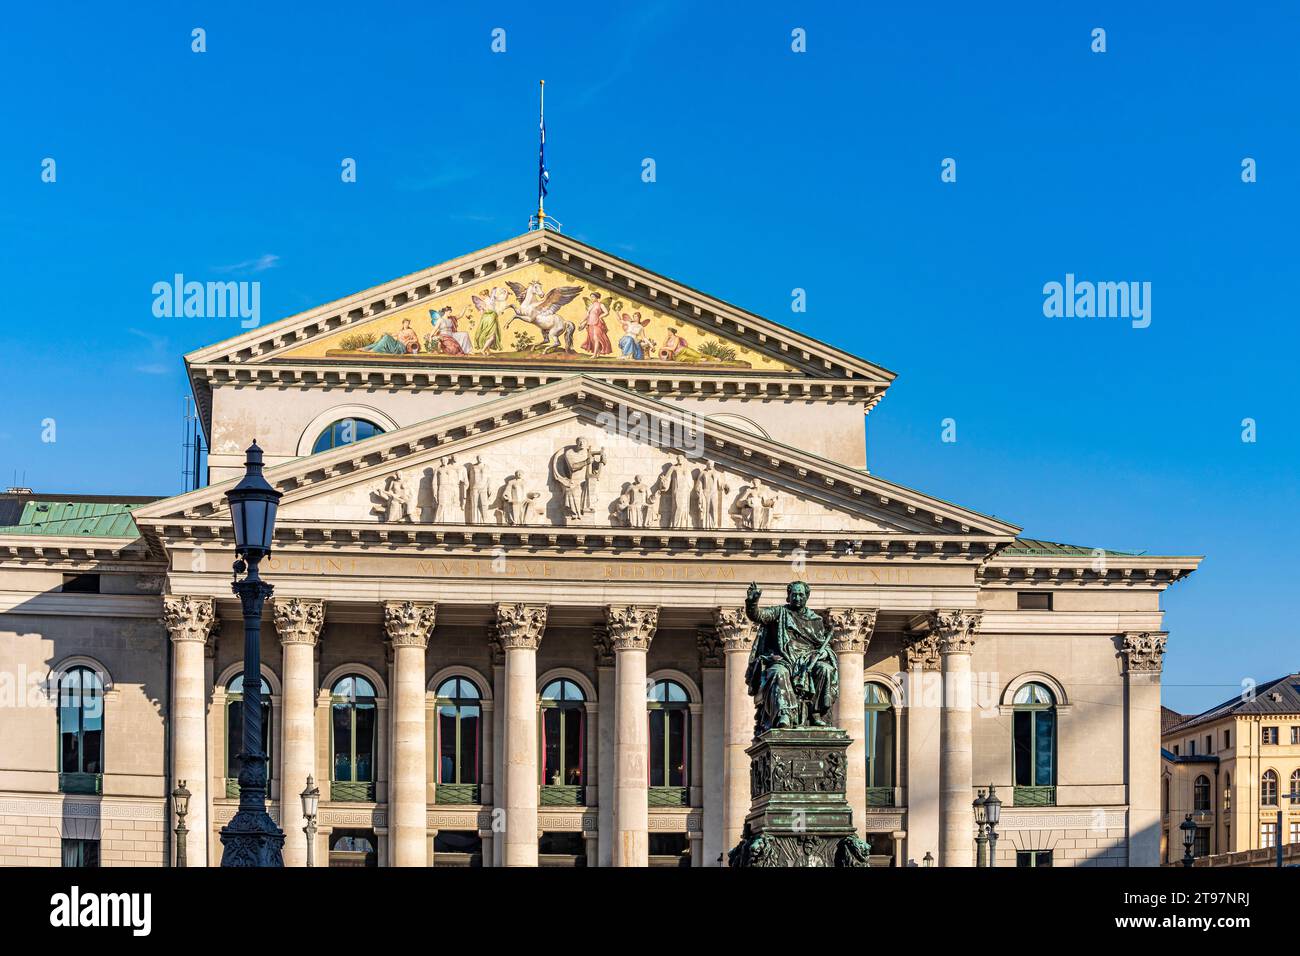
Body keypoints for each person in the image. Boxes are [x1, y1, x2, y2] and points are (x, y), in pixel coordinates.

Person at [743, 581, 838, 732]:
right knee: (778, 672)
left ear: (807, 597)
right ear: (788, 597)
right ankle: (784, 714)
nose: (797, 598)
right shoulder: (779, 612)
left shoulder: (816, 620)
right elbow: (758, 616)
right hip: (784, 659)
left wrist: (824, 653)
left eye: (801, 595)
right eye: (794, 594)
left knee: (825, 669)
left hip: (807, 659)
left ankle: (815, 713)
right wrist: (752, 602)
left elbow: (822, 645)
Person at [579, 292, 613, 357]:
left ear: (597, 298)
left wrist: (600, 316)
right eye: (591, 297)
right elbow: (587, 315)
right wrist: (582, 321)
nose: (591, 298)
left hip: (597, 323)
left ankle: (594, 355)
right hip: (590, 323)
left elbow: (606, 312)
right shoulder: (591, 306)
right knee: (592, 338)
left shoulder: (601, 305)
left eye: (593, 297)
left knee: (596, 338)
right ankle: (598, 353)